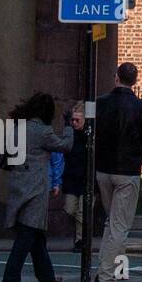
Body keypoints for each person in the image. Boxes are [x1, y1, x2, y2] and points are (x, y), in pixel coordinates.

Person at [0, 92, 74, 282]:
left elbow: (4, 157)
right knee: (26, 236)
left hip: (18, 186)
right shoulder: (42, 131)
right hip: (35, 189)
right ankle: (10, 281)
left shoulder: (17, 128)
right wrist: (68, 125)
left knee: (36, 236)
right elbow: (65, 146)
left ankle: (46, 277)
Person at [94, 62, 142, 282]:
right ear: (135, 80)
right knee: (119, 227)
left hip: (103, 170)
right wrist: (139, 159)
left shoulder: (100, 103)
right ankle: (107, 278)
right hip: (127, 171)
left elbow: (92, 134)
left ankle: (102, 271)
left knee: (111, 223)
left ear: (116, 77)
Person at [60, 103, 87, 252]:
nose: (74, 123)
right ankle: (80, 236)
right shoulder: (70, 134)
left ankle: (80, 240)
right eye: (73, 120)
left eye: (78, 120)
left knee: (83, 213)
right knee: (70, 209)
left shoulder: (89, 135)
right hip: (71, 177)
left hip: (86, 178)